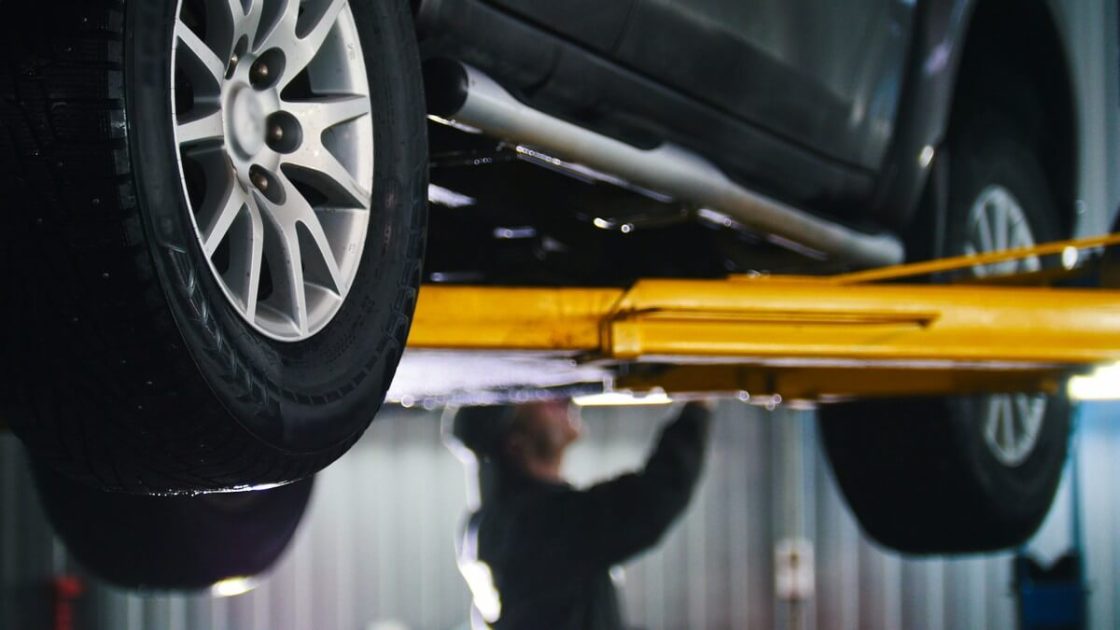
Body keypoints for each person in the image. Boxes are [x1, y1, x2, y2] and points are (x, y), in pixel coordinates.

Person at [449, 399, 712, 629]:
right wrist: (697, 404)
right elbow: (655, 497)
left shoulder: (493, 525)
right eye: (545, 400)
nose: (565, 402)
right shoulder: (535, 525)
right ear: (515, 443)